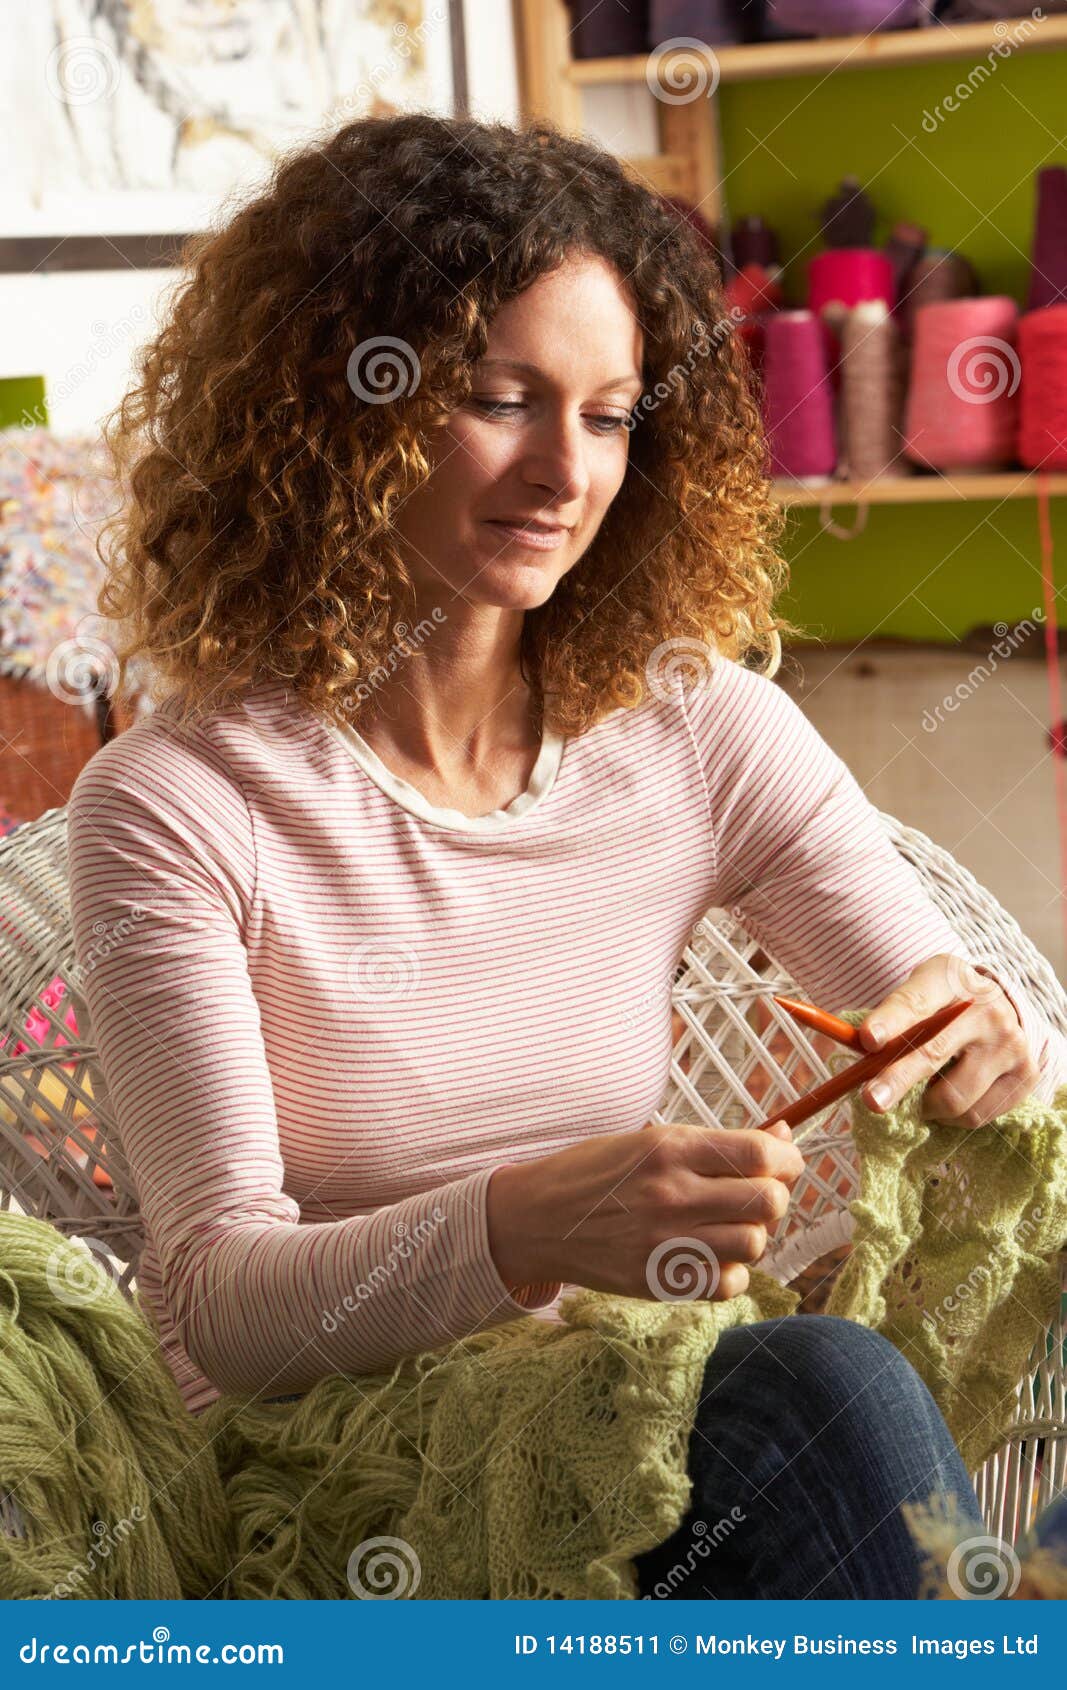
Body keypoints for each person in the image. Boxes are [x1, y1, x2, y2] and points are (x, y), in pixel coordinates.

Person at [67, 112, 1061, 1599]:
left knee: (817, 1410)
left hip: (644, 1439)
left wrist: (989, 1036)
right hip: (337, 1490)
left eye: (608, 417)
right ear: (337, 408)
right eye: (497, 398)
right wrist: (527, 1222)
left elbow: (947, 1018)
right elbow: (221, 1300)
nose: (564, 472)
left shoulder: (695, 727)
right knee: (822, 1402)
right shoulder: (181, 800)